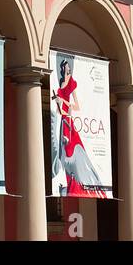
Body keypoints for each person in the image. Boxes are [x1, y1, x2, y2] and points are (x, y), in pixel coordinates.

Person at [52, 58, 104, 197]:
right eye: (65, 69)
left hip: (69, 124)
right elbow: (59, 111)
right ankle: (69, 185)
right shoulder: (60, 85)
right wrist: (58, 104)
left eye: (68, 68)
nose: (67, 71)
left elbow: (76, 106)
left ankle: (79, 186)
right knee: (62, 156)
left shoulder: (72, 83)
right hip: (63, 122)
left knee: (72, 154)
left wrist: (62, 100)